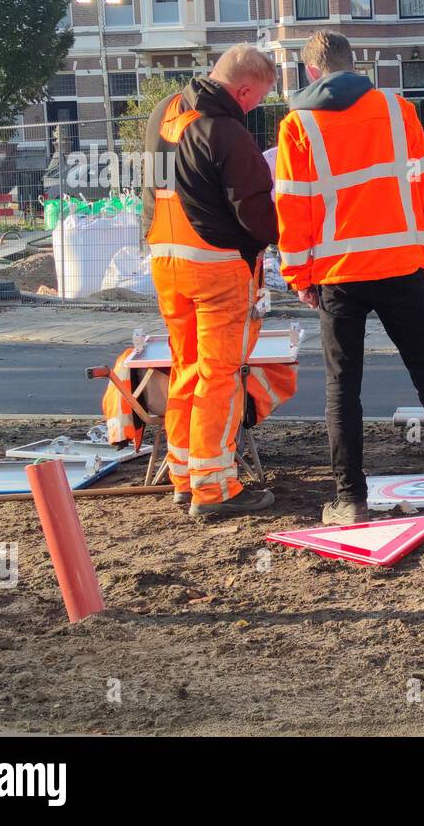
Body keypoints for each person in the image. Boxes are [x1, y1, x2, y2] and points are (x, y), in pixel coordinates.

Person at [274, 30, 424, 525]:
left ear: (312, 71)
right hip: (402, 268)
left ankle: (349, 500)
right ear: (356, 65)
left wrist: (299, 277)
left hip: (337, 278)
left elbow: (292, 209)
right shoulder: (398, 112)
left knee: (342, 388)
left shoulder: (297, 127)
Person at [143, 44, 280, 518]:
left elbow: (158, 188)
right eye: (256, 99)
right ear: (242, 89)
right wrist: (286, 229)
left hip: (165, 260)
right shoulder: (227, 133)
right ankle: (215, 487)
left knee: (185, 367)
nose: (254, 108)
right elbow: (256, 213)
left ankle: (183, 476)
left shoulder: (165, 112)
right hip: (217, 267)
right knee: (219, 375)